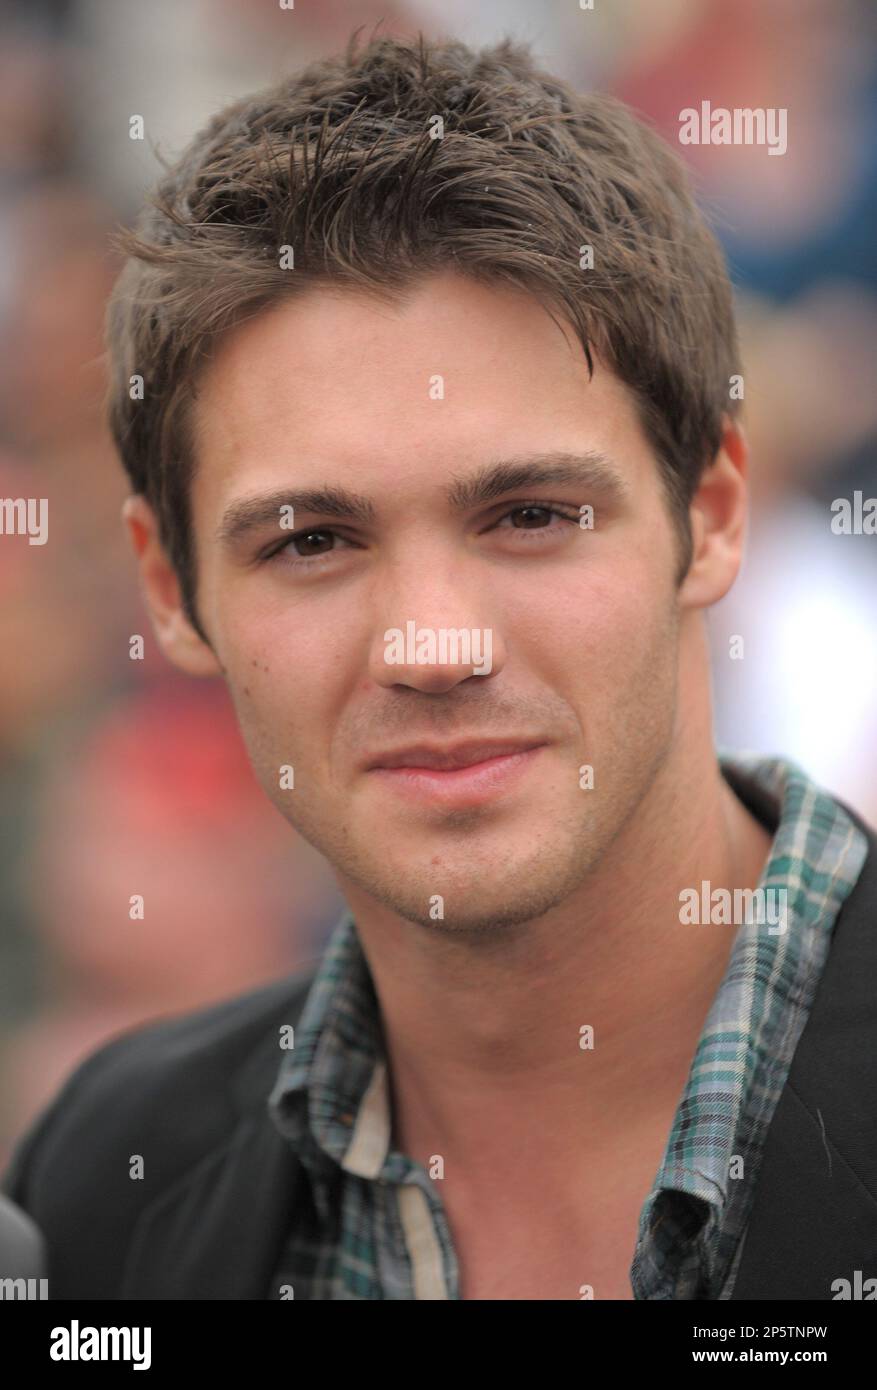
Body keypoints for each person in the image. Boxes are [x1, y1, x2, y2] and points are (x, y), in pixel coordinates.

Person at [3, 30, 875, 1301]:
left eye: (528, 515)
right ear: (171, 587)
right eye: (313, 540)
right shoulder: (103, 1184)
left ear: (715, 511)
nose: (433, 645)